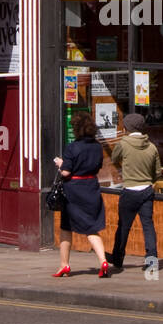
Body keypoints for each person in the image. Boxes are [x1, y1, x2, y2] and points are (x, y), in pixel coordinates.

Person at [51, 113, 110, 278]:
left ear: (76, 129)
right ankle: (103, 261)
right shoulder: (98, 146)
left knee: (67, 227)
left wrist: (61, 164)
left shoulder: (73, 147)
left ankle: (64, 265)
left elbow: (66, 172)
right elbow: (97, 167)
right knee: (91, 227)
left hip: (74, 190)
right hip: (91, 186)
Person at [110, 113, 162, 273]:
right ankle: (152, 260)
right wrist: (149, 180)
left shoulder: (123, 144)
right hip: (147, 190)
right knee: (148, 225)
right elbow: (158, 172)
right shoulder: (152, 146)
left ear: (126, 128)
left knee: (124, 227)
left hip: (130, 190)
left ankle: (118, 259)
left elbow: (114, 158)